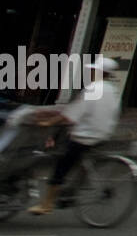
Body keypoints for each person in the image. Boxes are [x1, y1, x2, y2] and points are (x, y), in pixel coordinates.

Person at [27, 57, 122, 216]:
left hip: (85, 135)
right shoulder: (113, 90)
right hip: (103, 133)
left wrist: (49, 122)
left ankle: (47, 204)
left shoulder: (93, 89)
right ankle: (73, 189)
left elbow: (72, 115)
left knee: (62, 165)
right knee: (79, 159)